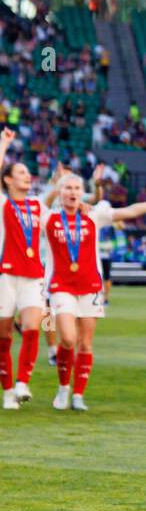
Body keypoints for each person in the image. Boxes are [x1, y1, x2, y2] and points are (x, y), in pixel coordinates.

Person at [42, 172, 146, 410]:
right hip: (60, 286)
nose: (73, 192)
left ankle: (78, 395)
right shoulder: (49, 217)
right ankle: (63, 387)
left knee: (85, 343)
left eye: (76, 188)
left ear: (82, 193)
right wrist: (53, 185)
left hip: (90, 286)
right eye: (68, 188)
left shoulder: (94, 216)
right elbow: (37, 205)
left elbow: (131, 211)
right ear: (60, 193)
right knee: (67, 338)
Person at [0, 129, 46, 409]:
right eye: (21, 173)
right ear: (7, 179)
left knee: (33, 327)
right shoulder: (3, 203)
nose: (27, 176)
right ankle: (7, 392)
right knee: (4, 336)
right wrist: (4, 143)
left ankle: (22, 382)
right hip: (5, 276)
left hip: (33, 277)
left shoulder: (38, 205)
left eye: (29, 173)